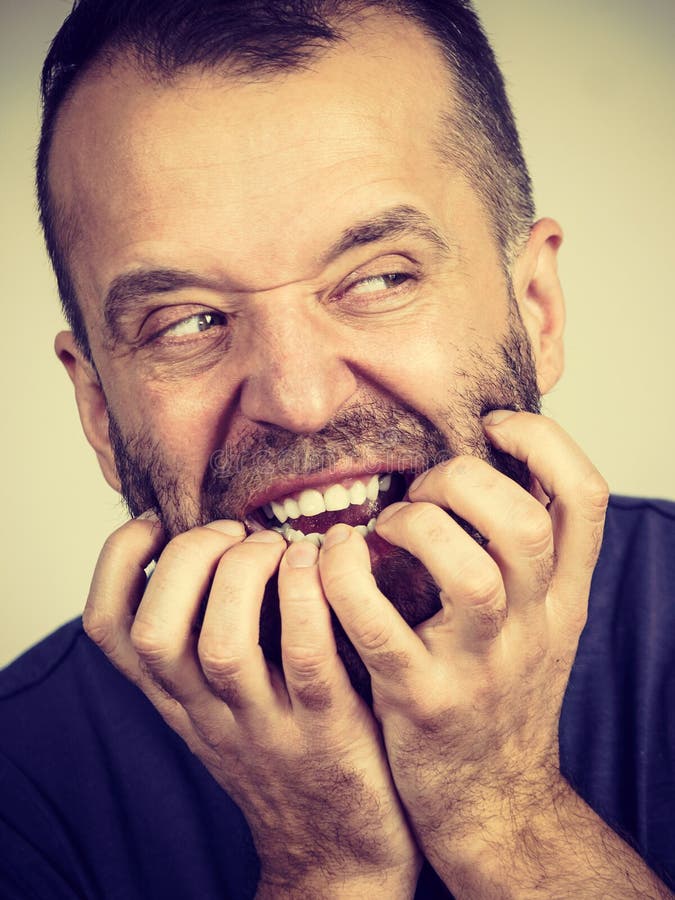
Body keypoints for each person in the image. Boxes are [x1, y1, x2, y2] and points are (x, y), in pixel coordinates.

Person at [1, 0, 673, 897]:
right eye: (188, 322)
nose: (302, 402)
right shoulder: (21, 784)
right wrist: (328, 866)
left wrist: (502, 812)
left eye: (378, 278)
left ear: (536, 309)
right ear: (96, 406)